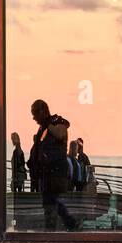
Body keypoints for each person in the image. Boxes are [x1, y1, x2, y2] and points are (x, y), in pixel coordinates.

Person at [29, 99, 78, 231]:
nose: (34, 118)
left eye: (35, 114)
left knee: (50, 201)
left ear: (42, 112)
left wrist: (47, 124)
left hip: (55, 172)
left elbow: (61, 134)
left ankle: (65, 224)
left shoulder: (56, 123)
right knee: (50, 201)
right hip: (47, 172)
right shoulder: (44, 127)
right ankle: (65, 224)